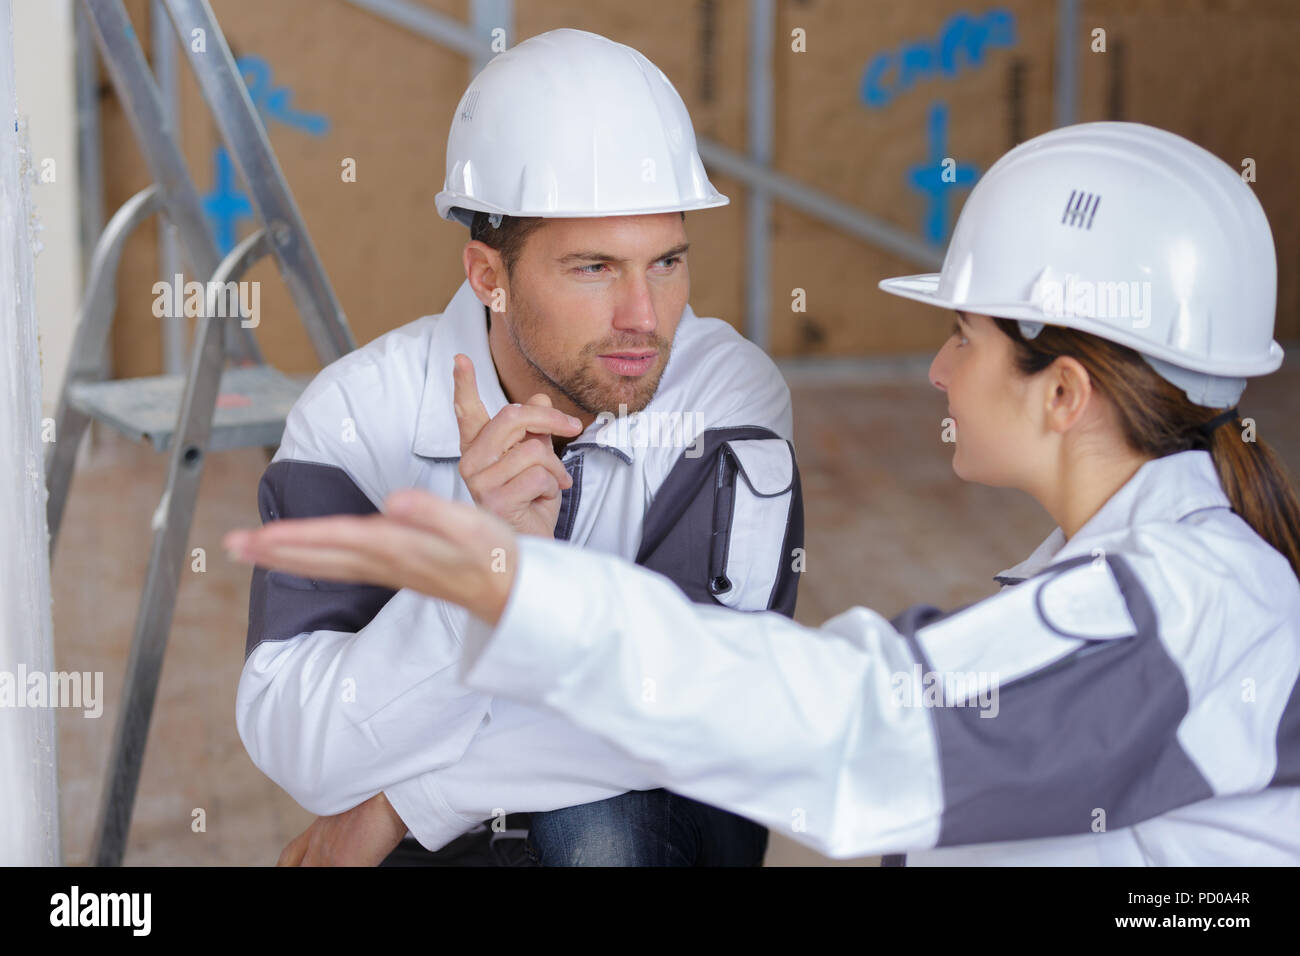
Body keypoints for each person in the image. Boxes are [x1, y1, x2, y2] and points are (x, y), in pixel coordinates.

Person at [227, 121, 1300, 865]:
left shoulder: (1172, 611)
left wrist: (519, 589)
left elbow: (852, 725)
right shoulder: (1175, 587)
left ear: (1062, 391)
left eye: (960, 335)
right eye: (594, 267)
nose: (932, 371)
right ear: (487, 273)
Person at [235, 28, 804, 867]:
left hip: (645, 829)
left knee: (598, 832)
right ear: (487, 275)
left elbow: (711, 708)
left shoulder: (725, 399)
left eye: (668, 261)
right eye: (593, 268)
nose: (644, 318)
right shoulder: (358, 417)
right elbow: (301, 750)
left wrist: (402, 803)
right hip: (453, 849)